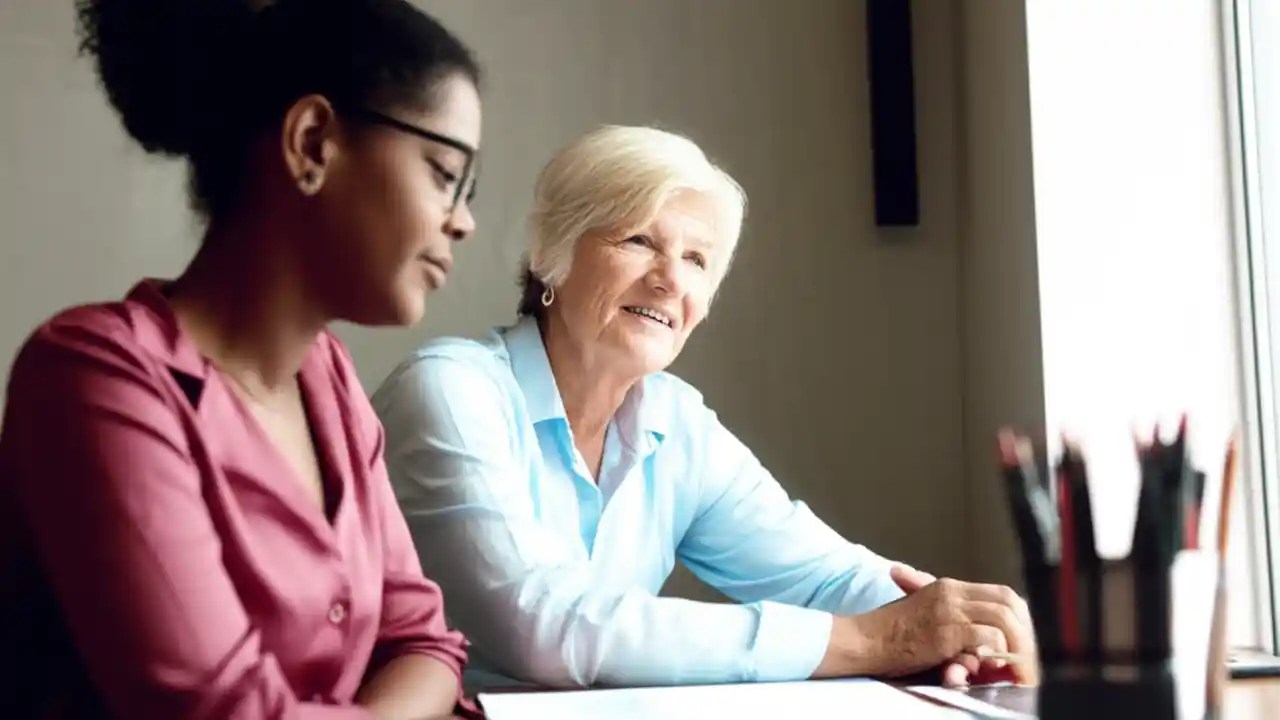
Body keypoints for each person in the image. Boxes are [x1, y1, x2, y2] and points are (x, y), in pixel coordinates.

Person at [373, 125, 1039, 690]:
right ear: (552, 257)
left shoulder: (677, 423)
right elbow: (543, 625)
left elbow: (821, 573)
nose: (670, 279)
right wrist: (874, 642)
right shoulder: (450, 391)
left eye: (697, 259)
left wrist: (952, 627)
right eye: (637, 240)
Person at [0, 1, 482, 716]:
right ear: (313, 141)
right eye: (445, 174)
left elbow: (424, 644)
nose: (464, 221)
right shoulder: (94, 378)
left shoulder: (332, 383)